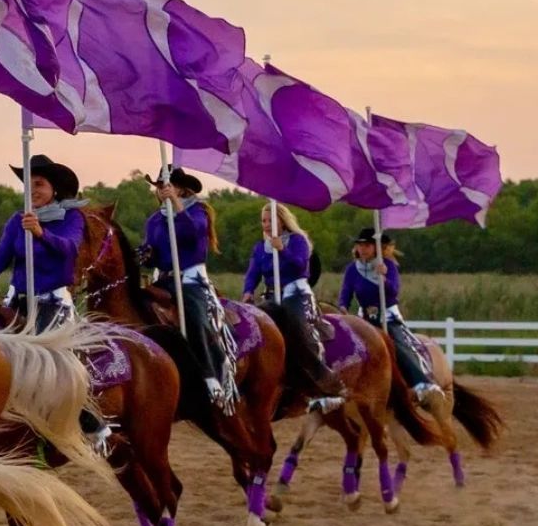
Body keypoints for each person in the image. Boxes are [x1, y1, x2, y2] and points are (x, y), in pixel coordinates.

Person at [143, 166, 233, 407]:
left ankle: (211, 372)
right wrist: (146, 255)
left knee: (192, 315)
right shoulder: (154, 220)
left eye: (166, 185)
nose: (162, 189)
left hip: (191, 280)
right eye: (159, 186)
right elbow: (153, 251)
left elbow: (193, 234)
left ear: (180, 188)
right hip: (164, 279)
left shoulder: (198, 211)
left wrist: (176, 205)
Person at [242, 202, 341, 409]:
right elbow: (253, 273)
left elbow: (299, 265)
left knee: (298, 328)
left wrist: (283, 250)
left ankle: (322, 379)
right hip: (271, 296)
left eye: (271, 220)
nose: (267, 225)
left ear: (283, 220)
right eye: (264, 221)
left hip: (296, 294)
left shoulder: (298, 240)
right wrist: (248, 291)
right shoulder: (260, 247)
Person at [0, 153, 84, 331]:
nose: (32, 190)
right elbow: (1, 254)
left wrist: (41, 233)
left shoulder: (71, 217)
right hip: (17, 301)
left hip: (53, 301)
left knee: (49, 353)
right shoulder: (18, 220)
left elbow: (70, 248)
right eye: (28, 185)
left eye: (39, 184)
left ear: (54, 188)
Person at [339, 228, 438, 399]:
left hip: (387, 316)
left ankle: (421, 382)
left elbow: (393, 292)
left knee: (397, 344)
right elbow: (346, 291)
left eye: (367, 245)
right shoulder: (352, 269)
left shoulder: (388, 266)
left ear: (376, 248)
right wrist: (342, 307)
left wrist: (383, 277)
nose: (362, 249)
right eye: (360, 245)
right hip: (364, 318)